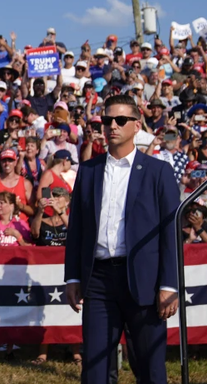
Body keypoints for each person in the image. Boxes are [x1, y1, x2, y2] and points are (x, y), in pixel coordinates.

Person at [64, 94, 180, 384]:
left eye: (120, 120)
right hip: (99, 280)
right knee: (95, 366)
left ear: (137, 125)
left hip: (144, 279)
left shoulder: (158, 171)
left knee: (150, 365)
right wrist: (73, 277)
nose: (111, 126)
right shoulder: (88, 170)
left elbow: (170, 232)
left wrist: (168, 284)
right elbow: (77, 227)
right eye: (106, 120)